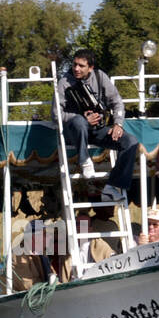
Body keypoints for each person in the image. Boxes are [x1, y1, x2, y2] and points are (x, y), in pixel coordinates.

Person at [57, 48, 138, 205]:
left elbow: (117, 102)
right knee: (80, 122)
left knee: (131, 142)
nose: (76, 69)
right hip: (73, 131)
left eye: (81, 66)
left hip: (98, 129)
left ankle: (113, 186)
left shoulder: (101, 77)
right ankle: (84, 160)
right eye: (74, 64)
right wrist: (81, 118)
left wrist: (117, 124)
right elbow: (56, 114)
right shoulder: (64, 82)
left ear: (91, 67)